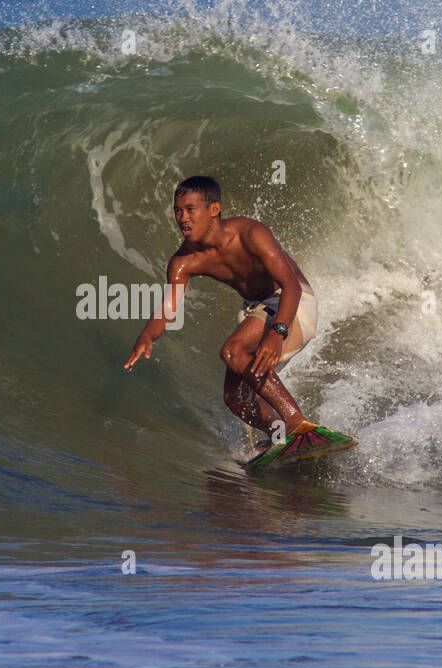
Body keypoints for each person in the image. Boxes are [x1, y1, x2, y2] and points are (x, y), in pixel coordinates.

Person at [124, 175, 322, 457]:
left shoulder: (251, 234)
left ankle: (297, 422)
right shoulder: (183, 261)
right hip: (259, 308)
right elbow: (169, 309)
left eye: (190, 209)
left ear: (214, 210)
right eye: (177, 211)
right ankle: (283, 435)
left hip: (294, 301)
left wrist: (277, 333)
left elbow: (290, 284)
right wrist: (147, 335)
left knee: (233, 350)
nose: (182, 218)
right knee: (236, 398)